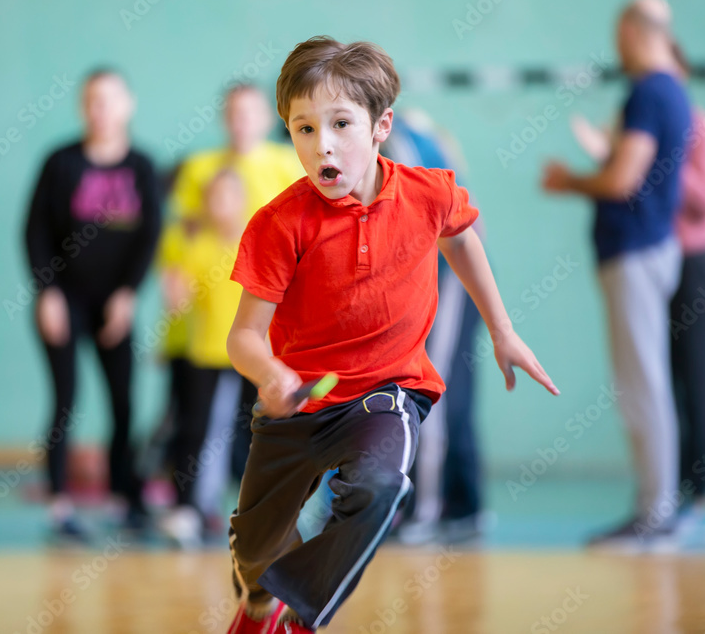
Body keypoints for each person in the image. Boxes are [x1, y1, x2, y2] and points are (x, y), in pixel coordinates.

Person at [226, 36, 558, 633]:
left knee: (378, 486)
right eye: (303, 129)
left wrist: (502, 329)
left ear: (382, 126)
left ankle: (301, 613)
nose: (321, 144)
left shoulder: (427, 193)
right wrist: (271, 374)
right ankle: (258, 602)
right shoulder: (279, 224)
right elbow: (243, 337)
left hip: (387, 392)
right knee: (254, 552)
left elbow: (459, 236)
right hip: (296, 407)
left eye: (340, 124)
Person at [542, 0, 692, 551]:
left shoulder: (649, 91)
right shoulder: (668, 92)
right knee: (645, 383)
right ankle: (656, 510)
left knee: (643, 385)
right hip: (647, 250)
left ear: (633, 31)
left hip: (636, 251)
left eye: (618, 33)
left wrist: (570, 180)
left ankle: (656, 514)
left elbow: (623, 181)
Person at [570, 40, 705, 548]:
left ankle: (694, 503)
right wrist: (622, 156)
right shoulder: (657, 123)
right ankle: (663, 501)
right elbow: (629, 182)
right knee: (657, 381)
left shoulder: (695, 127)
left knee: (693, 385)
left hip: (695, 266)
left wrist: (655, 158)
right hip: (665, 259)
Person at [23, 68, 161, 542]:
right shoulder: (60, 162)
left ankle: (124, 496)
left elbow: (149, 237)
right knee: (65, 401)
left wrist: (128, 294)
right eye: (91, 101)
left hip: (114, 303)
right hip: (64, 301)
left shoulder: (142, 166)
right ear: (83, 108)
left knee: (123, 403)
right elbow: (35, 232)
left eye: (109, 100)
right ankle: (60, 504)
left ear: (127, 105)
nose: (100, 110)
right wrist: (48, 294)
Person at [155, 83, 303, 519]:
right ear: (224, 117)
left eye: (250, 113)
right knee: (196, 420)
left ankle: (266, 507)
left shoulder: (287, 164)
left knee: (263, 419)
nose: (241, 122)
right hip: (206, 326)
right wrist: (173, 276)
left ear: (265, 118)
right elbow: (181, 233)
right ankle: (191, 505)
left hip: (268, 323)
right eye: (233, 113)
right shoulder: (200, 168)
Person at [381, 109, 489, 546]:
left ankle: (423, 508)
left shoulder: (399, 140)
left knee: (433, 387)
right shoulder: (416, 129)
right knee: (444, 383)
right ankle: (463, 504)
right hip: (437, 268)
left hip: (445, 267)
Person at [157, 169, 246, 547]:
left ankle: (250, 509)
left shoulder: (255, 240)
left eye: (227, 197)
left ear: (241, 201)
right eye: (213, 198)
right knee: (194, 430)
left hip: (251, 353)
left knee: (252, 432)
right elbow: (176, 294)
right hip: (204, 352)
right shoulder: (195, 243)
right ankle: (187, 508)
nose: (219, 205)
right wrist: (174, 286)